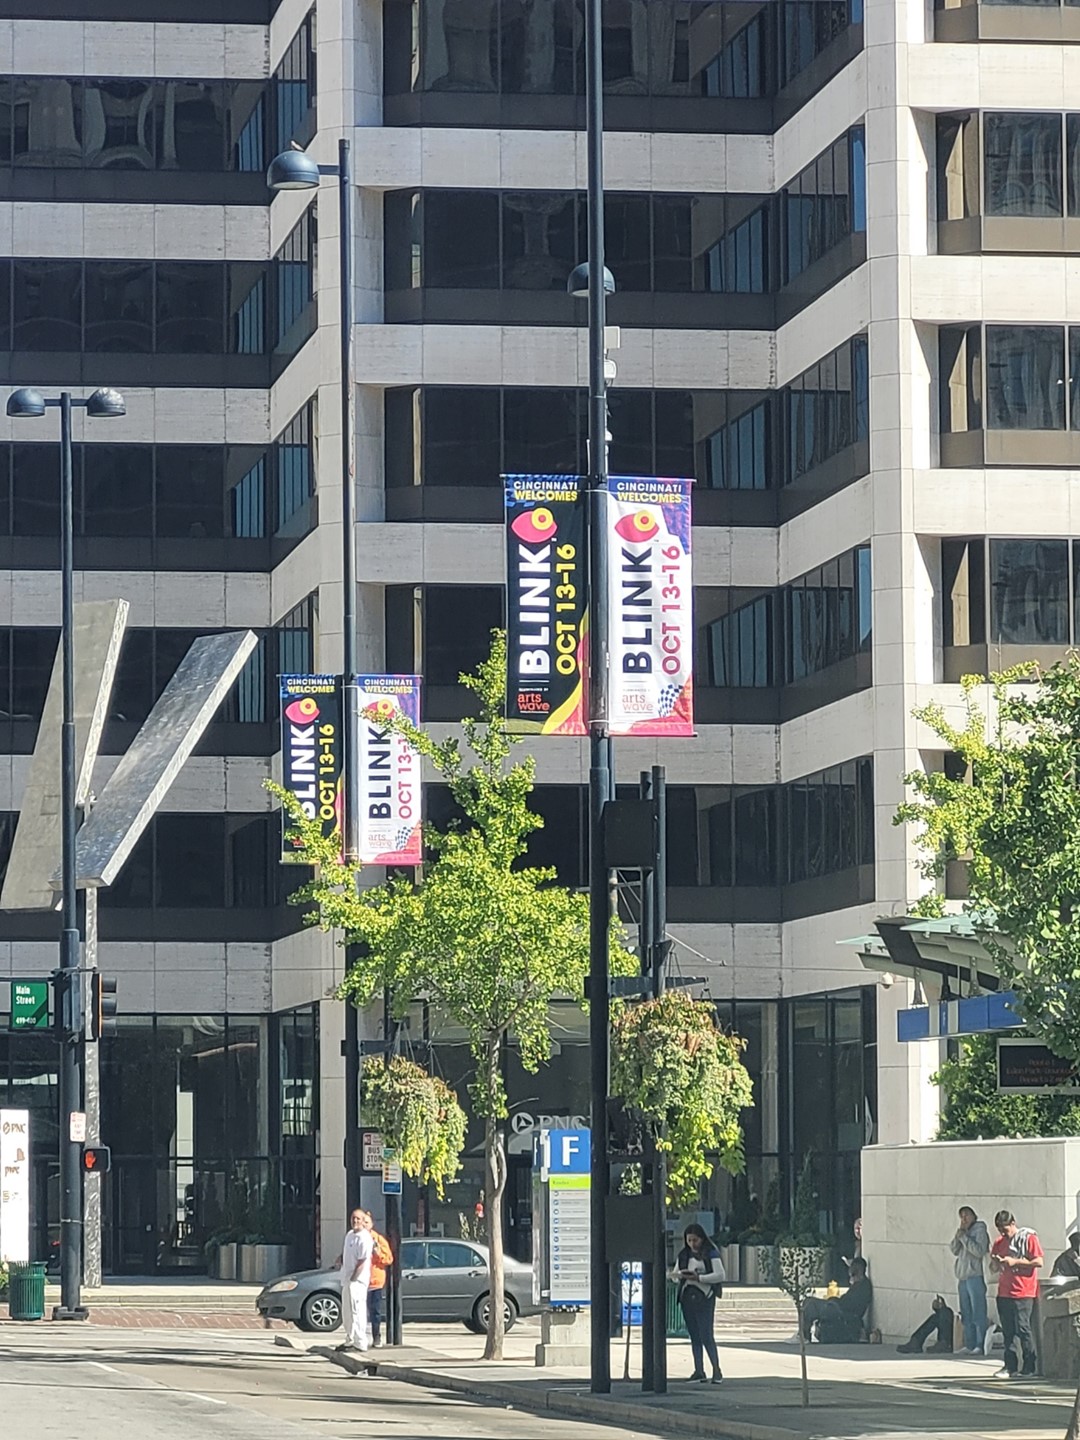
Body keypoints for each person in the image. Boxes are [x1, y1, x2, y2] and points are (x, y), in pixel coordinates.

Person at [989, 1209, 1043, 1379]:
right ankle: (1010, 1365)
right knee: (1008, 1331)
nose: (1004, 1234)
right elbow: (992, 1265)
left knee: (1023, 1328)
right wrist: (997, 1263)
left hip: (1023, 1291)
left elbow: (1038, 1261)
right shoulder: (999, 1242)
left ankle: (1029, 1365)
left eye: (1006, 1230)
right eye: (1000, 1230)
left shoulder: (1028, 1238)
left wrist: (1015, 1261)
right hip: (1004, 1291)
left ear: (1013, 1224)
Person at [671, 1223, 726, 1384]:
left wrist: (699, 1278)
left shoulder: (711, 1253)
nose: (692, 1244)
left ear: (702, 1239)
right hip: (687, 1297)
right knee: (694, 1335)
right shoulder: (683, 1255)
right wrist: (680, 1275)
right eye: (689, 1240)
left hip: (705, 1297)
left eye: (695, 1240)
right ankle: (699, 1370)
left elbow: (720, 1275)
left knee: (706, 1334)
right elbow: (675, 1276)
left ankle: (716, 1370)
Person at [801, 1257, 873, 1344]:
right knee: (808, 1301)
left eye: (852, 1267)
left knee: (811, 1304)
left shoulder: (863, 1286)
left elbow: (850, 1305)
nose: (849, 1270)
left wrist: (834, 1300)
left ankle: (804, 1336)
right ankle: (804, 1335)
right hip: (839, 1308)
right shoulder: (858, 1284)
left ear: (858, 1269)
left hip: (841, 1311)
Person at [950, 1205, 990, 1354]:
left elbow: (979, 1251)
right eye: (961, 1216)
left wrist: (965, 1238)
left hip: (975, 1276)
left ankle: (980, 1343)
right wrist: (958, 1235)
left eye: (966, 1215)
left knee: (977, 1310)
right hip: (962, 1277)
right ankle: (969, 1342)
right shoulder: (962, 1232)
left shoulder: (980, 1230)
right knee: (966, 1312)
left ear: (973, 1216)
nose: (964, 1219)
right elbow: (954, 1250)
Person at [336, 1207, 374, 1354]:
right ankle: (349, 1339)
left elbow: (363, 1260)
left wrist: (354, 1277)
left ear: (363, 1221)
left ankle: (360, 1342)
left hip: (357, 1281)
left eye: (358, 1219)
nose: (355, 1221)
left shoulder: (365, 1238)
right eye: (353, 1218)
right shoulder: (350, 1235)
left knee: (357, 1310)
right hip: (346, 1279)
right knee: (347, 1312)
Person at [363, 1212, 394, 1347]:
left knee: (375, 1311)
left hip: (374, 1281)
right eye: (362, 1221)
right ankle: (360, 1337)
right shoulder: (355, 1238)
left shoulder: (378, 1240)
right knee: (359, 1311)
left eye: (367, 1222)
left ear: (372, 1224)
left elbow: (388, 1259)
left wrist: (378, 1253)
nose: (364, 1225)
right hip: (360, 1281)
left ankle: (377, 1337)